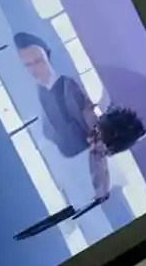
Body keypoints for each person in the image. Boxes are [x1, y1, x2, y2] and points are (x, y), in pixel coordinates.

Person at [14, 32, 110, 214]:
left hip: (94, 160)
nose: (35, 69)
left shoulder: (68, 84)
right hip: (72, 166)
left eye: (38, 61)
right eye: (28, 65)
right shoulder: (38, 94)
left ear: (48, 56)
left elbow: (93, 129)